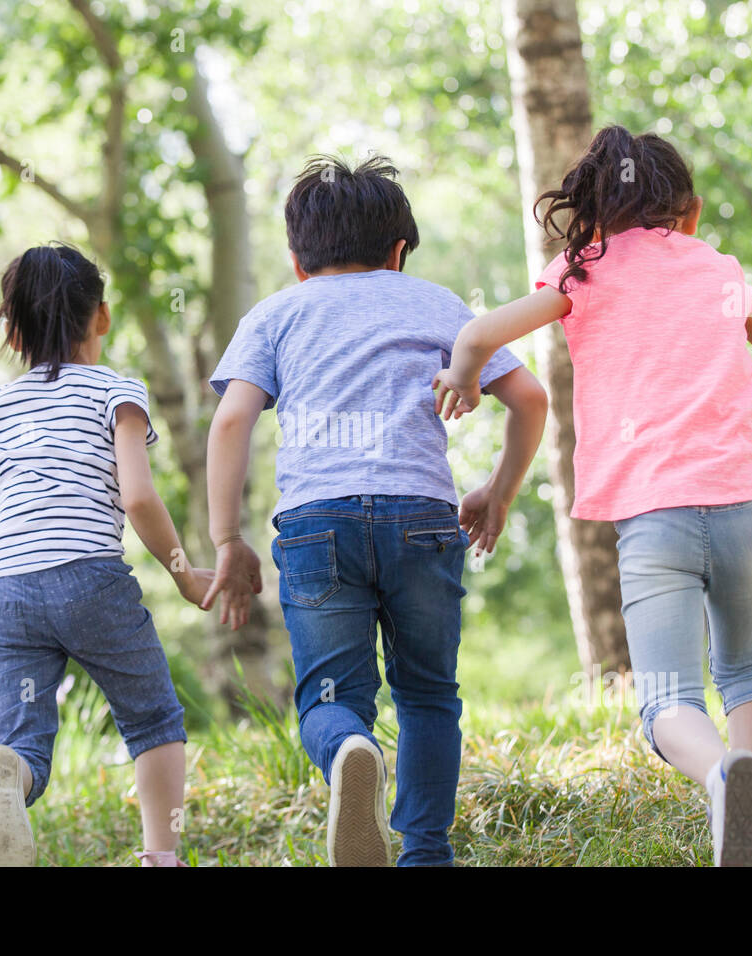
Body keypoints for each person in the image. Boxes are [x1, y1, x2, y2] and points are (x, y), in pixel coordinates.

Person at [434, 127, 752, 867]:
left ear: (596, 210)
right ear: (690, 211)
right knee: (745, 669)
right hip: (745, 508)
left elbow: (481, 332)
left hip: (655, 518)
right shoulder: (720, 271)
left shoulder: (584, 269)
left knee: (666, 700)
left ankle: (722, 781)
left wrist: (461, 373)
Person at [203, 156, 549, 866]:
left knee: (330, 696)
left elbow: (231, 422)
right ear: (399, 253)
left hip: (315, 525)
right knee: (427, 693)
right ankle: (425, 851)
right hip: (422, 516)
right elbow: (532, 400)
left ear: (297, 261)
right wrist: (498, 491)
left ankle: (350, 748)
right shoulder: (437, 304)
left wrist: (225, 538)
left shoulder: (274, 314)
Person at [0, 243, 211, 867]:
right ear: (101, 316)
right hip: (89, 579)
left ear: (13, 329)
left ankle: (7, 774)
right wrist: (183, 575)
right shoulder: (116, 392)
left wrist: (24, 536)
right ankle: (160, 855)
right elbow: (140, 497)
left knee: (19, 734)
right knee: (152, 718)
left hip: (2, 589)